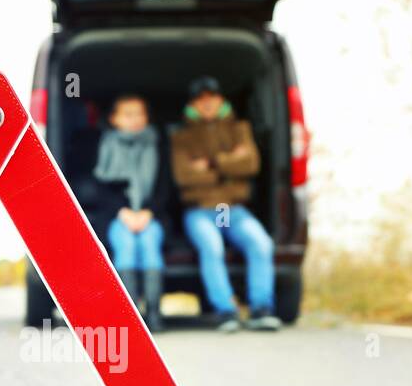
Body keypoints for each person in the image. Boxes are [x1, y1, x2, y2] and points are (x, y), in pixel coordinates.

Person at [171, 76, 280, 332]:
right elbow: (183, 176)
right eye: (201, 99)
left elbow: (251, 165)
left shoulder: (240, 128)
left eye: (212, 97)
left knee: (261, 244)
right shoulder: (182, 136)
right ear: (194, 104)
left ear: (221, 99)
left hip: (233, 208)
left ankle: (260, 308)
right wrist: (230, 162)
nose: (207, 103)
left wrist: (209, 163)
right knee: (212, 247)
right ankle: (226, 311)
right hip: (200, 209)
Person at [92, 94, 167, 332]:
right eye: (128, 114)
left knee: (150, 243)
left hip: (150, 216)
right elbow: (99, 188)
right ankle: (130, 315)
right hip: (118, 216)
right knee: (125, 246)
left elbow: (166, 188)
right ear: (114, 119)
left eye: (139, 113)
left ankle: (154, 313)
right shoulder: (105, 146)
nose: (134, 119)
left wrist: (148, 212)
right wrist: (122, 212)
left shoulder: (158, 145)